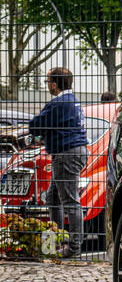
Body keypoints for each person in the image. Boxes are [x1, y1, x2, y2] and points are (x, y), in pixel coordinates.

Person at [27, 67, 87, 258]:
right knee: (53, 197)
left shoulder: (58, 103)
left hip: (65, 154)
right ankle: (54, 242)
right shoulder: (72, 102)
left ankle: (73, 248)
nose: (47, 86)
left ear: (54, 84)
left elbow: (35, 126)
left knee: (70, 201)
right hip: (74, 151)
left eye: (47, 82)